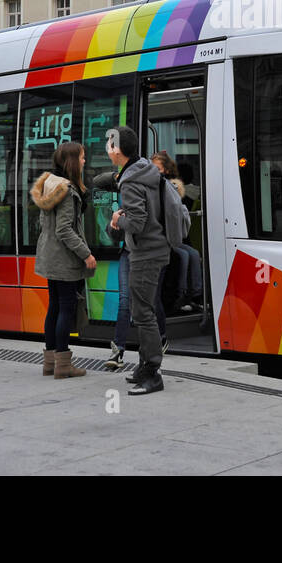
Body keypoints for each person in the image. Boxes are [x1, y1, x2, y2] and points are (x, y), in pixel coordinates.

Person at [93, 126, 170, 395]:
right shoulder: (142, 170)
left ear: (118, 150)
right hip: (153, 249)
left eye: (109, 144)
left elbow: (136, 223)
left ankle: (152, 372)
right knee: (143, 310)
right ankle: (143, 367)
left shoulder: (130, 181)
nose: (107, 149)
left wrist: (116, 220)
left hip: (145, 253)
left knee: (143, 313)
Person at [31, 141, 96, 379]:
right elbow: (65, 229)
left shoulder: (50, 185)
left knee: (55, 307)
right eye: (81, 157)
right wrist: (86, 254)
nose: (84, 161)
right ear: (71, 161)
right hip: (65, 259)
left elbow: (45, 225)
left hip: (49, 255)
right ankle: (63, 364)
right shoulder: (67, 190)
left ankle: (49, 363)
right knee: (66, 309)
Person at [153, 151, 201, 313]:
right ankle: (179, 297)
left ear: (166, 170)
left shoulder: (171, 187)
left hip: (172, 237)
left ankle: (195, 295)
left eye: (158, 168)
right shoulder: (154, 187)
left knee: (192, 254)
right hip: (162, 239)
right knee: (184, 255)